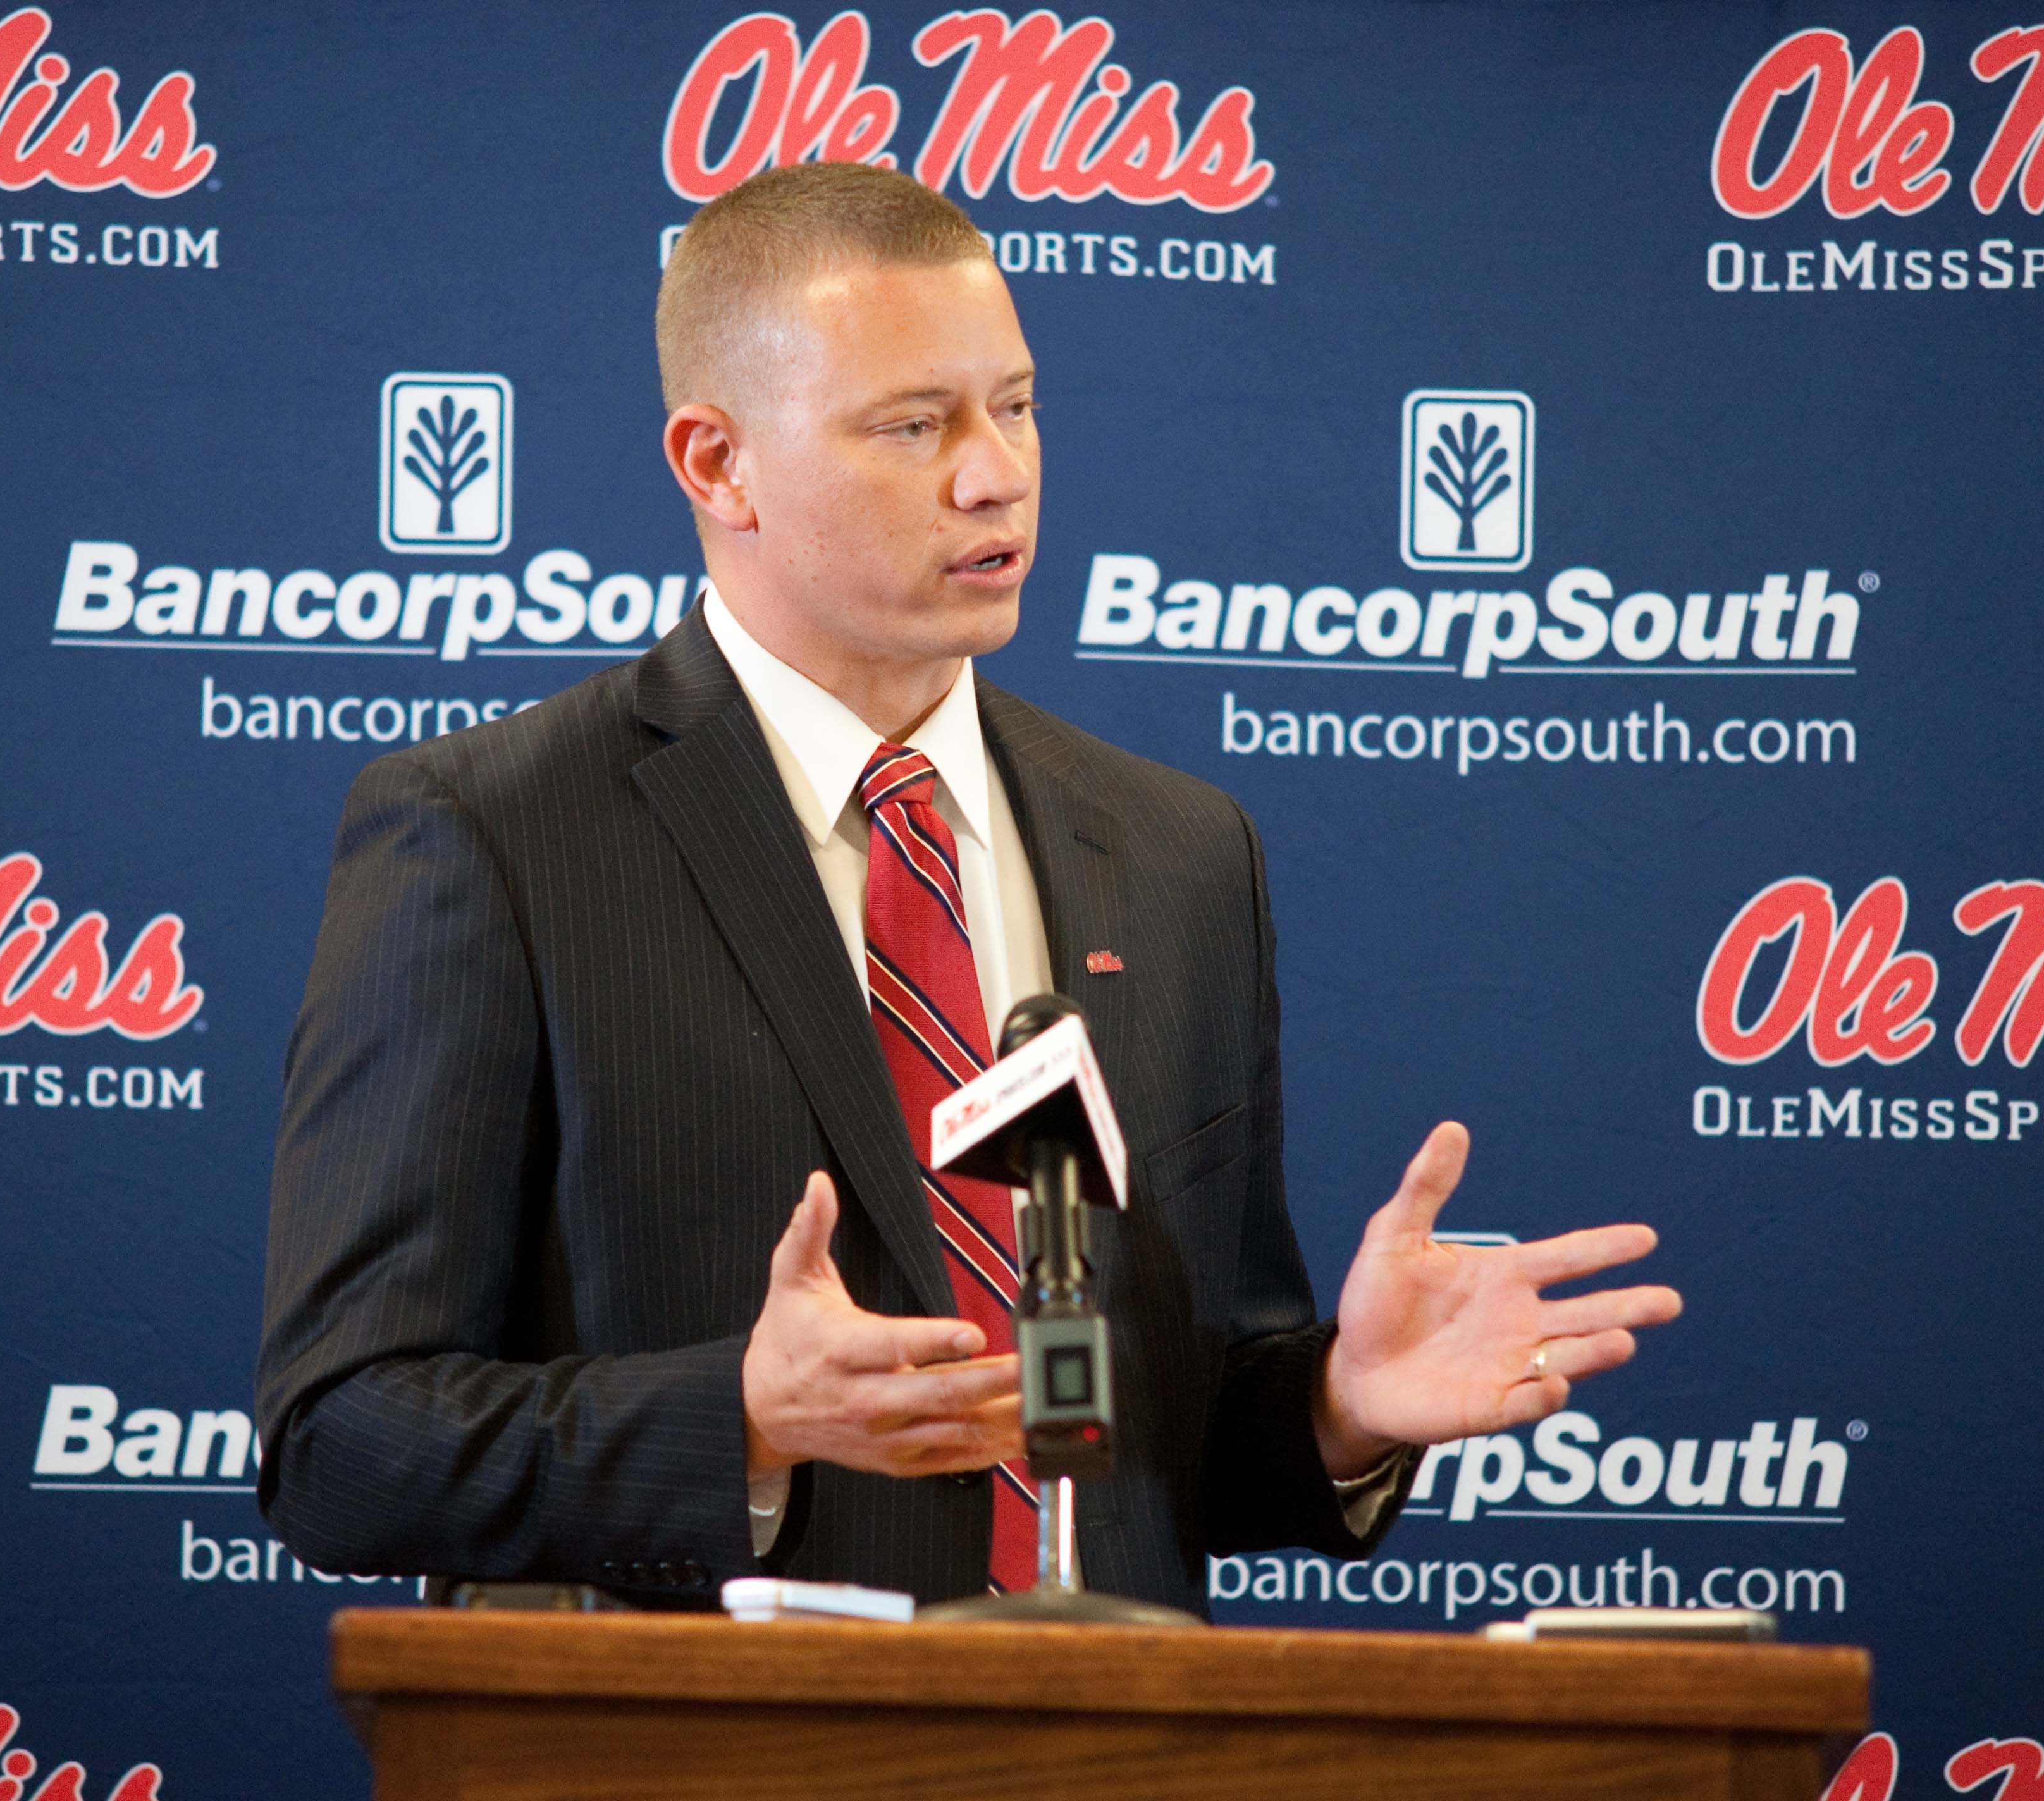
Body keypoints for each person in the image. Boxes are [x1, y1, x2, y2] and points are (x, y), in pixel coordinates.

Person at [254, 163, 1679, 1613]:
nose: (994, 471)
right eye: (913, 423)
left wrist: (1338, 1402)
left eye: (1015, 404)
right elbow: (339, 1442)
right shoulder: (487, 830)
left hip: (1099, 1747)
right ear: (716, 464)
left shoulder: (1181, 849)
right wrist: (743, 1417)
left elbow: (1156, 1449)